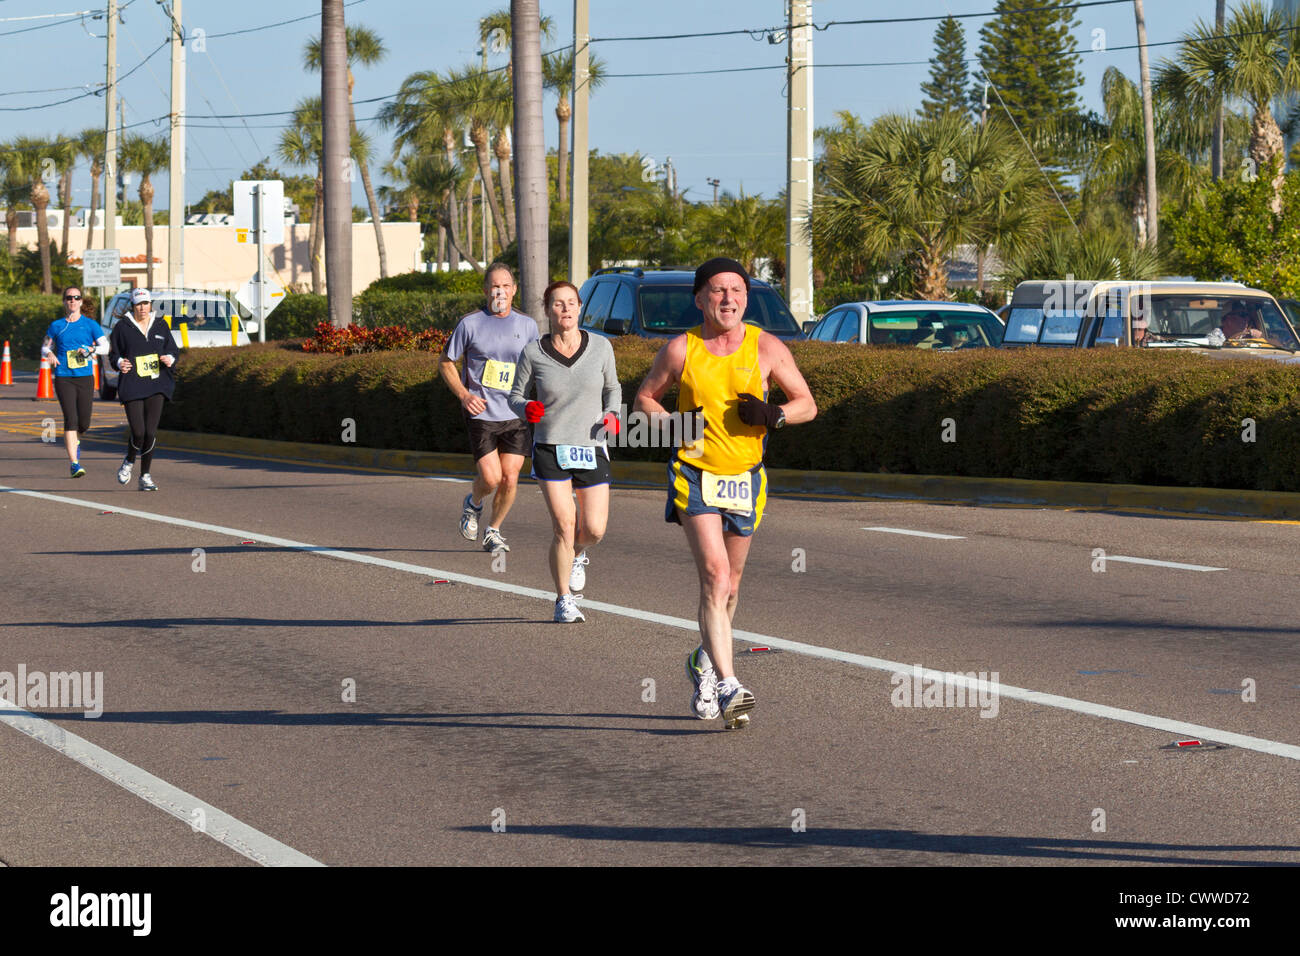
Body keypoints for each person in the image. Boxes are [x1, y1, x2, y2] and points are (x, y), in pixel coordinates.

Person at [634, 257, 817, 728]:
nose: (728, 299)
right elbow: (645, 398)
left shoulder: (766, 347)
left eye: (737, 290)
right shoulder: (681, 349)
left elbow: (807, 406)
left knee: (731, 585)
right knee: (715, 576)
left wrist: (774, 415)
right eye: (718, 291)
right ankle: (730, 681)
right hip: (695, 474)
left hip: (746, 478)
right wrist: (670, 425)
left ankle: (705, 662)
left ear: (746, 298)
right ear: (700, 299)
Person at [508, 281, 621, 623]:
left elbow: (613, 387)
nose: (566, 309)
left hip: (591, 445)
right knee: (564, 523)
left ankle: (578, 553)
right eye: (558, 304)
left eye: (571, 303)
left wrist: (613, 415)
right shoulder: (533, 352)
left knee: (595, 528)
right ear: (548, 310)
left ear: (580, 307)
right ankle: (563, 600)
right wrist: (526, 407)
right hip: (550, 447)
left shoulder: (601, 347)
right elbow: (515, 395)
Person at [440, 263, 540, 553]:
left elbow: (537, 365)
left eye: (506, 286)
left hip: (515, 412)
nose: (501, 291)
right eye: (495, 286)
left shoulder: (527, 325)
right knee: (492, 478)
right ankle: (473, 503)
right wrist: (463, 394)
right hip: (481, 412)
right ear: (486, 291)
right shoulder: (470, 324)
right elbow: (446, 362)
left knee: (510, 477)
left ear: (514, 290)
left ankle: (494, 530)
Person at [108, 288, 179, 490]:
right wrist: (120, 362)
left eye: (146, 303)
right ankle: (129, 461)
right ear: (133, 306)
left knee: (150, 432)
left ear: (150, 305)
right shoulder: (122, 328)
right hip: (132, 384)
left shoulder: (161, 325)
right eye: (139, 304)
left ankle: (145, 476)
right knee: (138, 431)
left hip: (157, 384)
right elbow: (114, 355)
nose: (143, 308)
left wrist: (170, 358)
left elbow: (173, 349)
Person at [41, 285, 108, 478]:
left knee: (84, 422)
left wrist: (91, 350)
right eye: (69, 298)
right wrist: (50, 353)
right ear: (64, 301)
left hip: (85, 377)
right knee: (71, 419)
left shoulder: (90, 325)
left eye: (76, 297)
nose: (72, 300)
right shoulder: (56, 325)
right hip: (64, 377)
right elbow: (44, 347)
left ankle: (75, 439)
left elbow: (106, 346)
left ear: (80, 301)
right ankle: (74, 463)